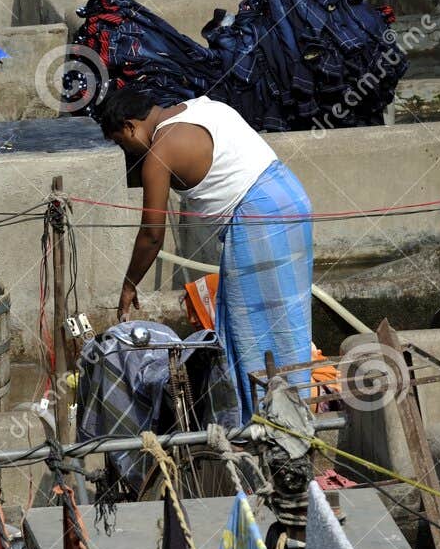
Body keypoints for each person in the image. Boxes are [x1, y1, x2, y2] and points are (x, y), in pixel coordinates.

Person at [94, 86, 313, 422]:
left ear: (129, 127)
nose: (129, 152)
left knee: (250, 333)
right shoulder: (202, 106)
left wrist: (128, 285)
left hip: (258, 218)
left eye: (123, 143)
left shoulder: (158, 155)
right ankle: (293, 415)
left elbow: (152, 235)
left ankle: (267, 426)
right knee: (288, 320)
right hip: (291, 196)